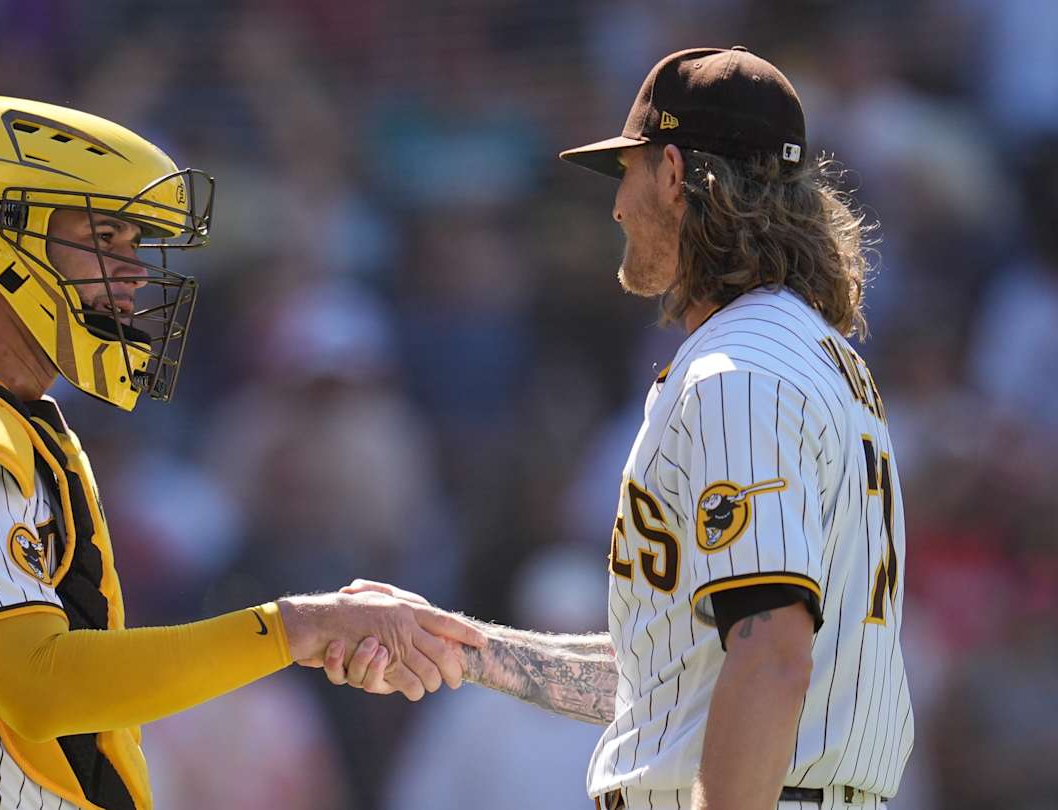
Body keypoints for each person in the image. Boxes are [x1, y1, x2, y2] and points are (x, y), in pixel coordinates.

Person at [0, 94, 483, 810]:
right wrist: (299, 628)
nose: (135, 273)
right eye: (105, 239)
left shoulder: (15, 420)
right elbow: (41, 685)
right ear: (4, 236)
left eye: (134, 244)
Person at [332, 47, 912, 810]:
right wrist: (464, 649)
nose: (614, 206)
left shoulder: (738, 373)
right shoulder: (818, 360)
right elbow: (680, 675)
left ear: (673, 174)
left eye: (626, 172)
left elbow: (770, 654)